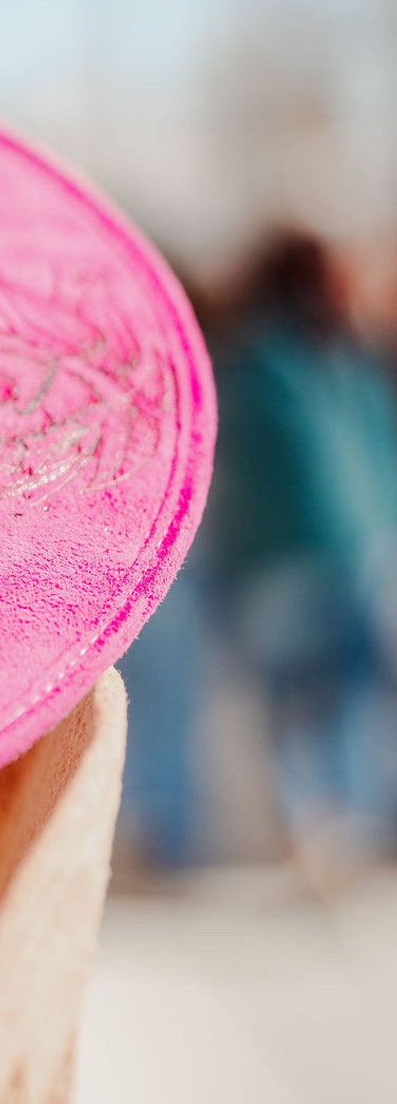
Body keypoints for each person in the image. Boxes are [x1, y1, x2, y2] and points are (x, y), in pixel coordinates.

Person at [208, 228, 397, 864]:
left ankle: (326, 823)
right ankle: (334, 822)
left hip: (312, 556)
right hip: (325, 555)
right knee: (328, 695)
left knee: (315, 698)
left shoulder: (266, 360)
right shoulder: (321, 357)